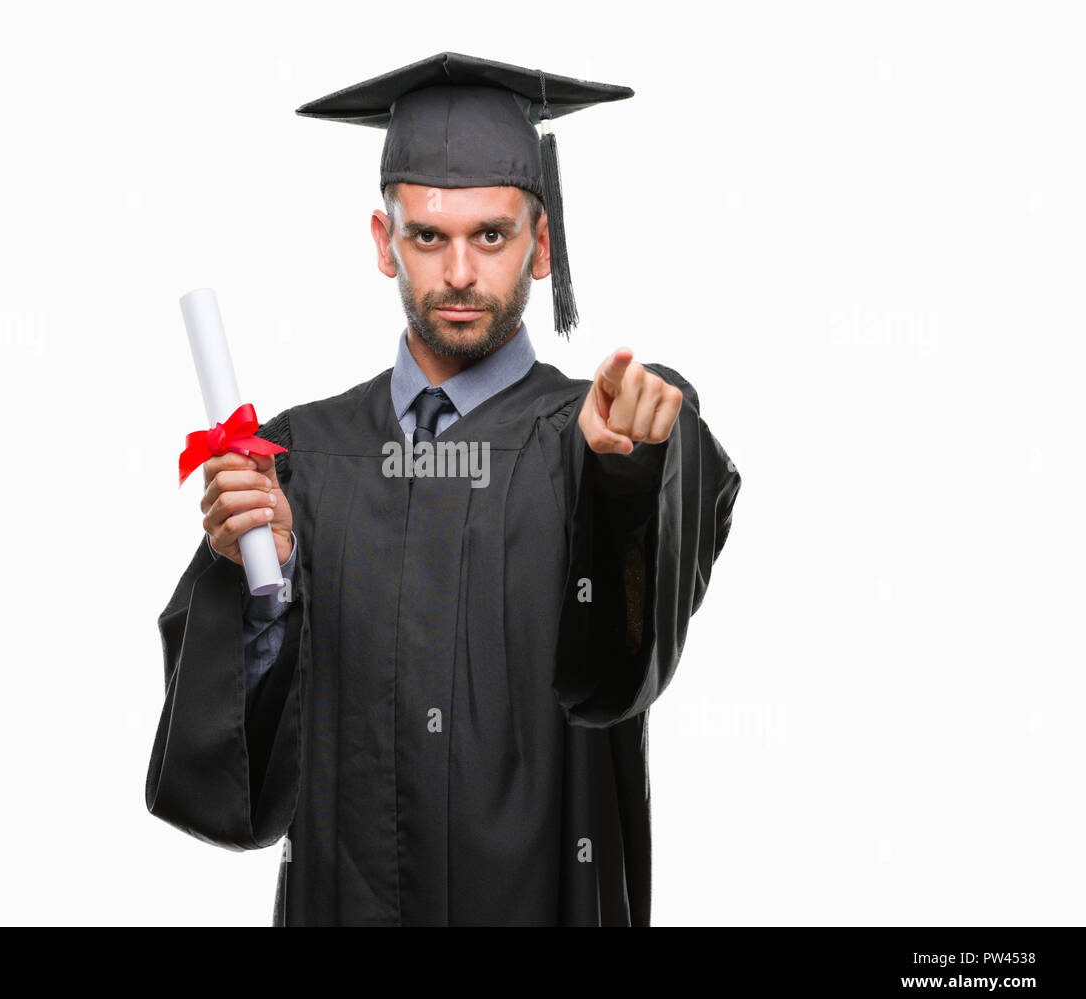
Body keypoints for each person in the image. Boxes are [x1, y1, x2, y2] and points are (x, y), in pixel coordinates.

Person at [145, 51, 742, 926]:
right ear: (387, 245)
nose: (460, 273)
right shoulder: (302, 457)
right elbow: (235, 795)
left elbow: (617, 678)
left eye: (491, 235)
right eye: (429, 235)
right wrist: (263, 586)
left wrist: (627, 473)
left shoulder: (591, 435)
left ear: (542, 245)